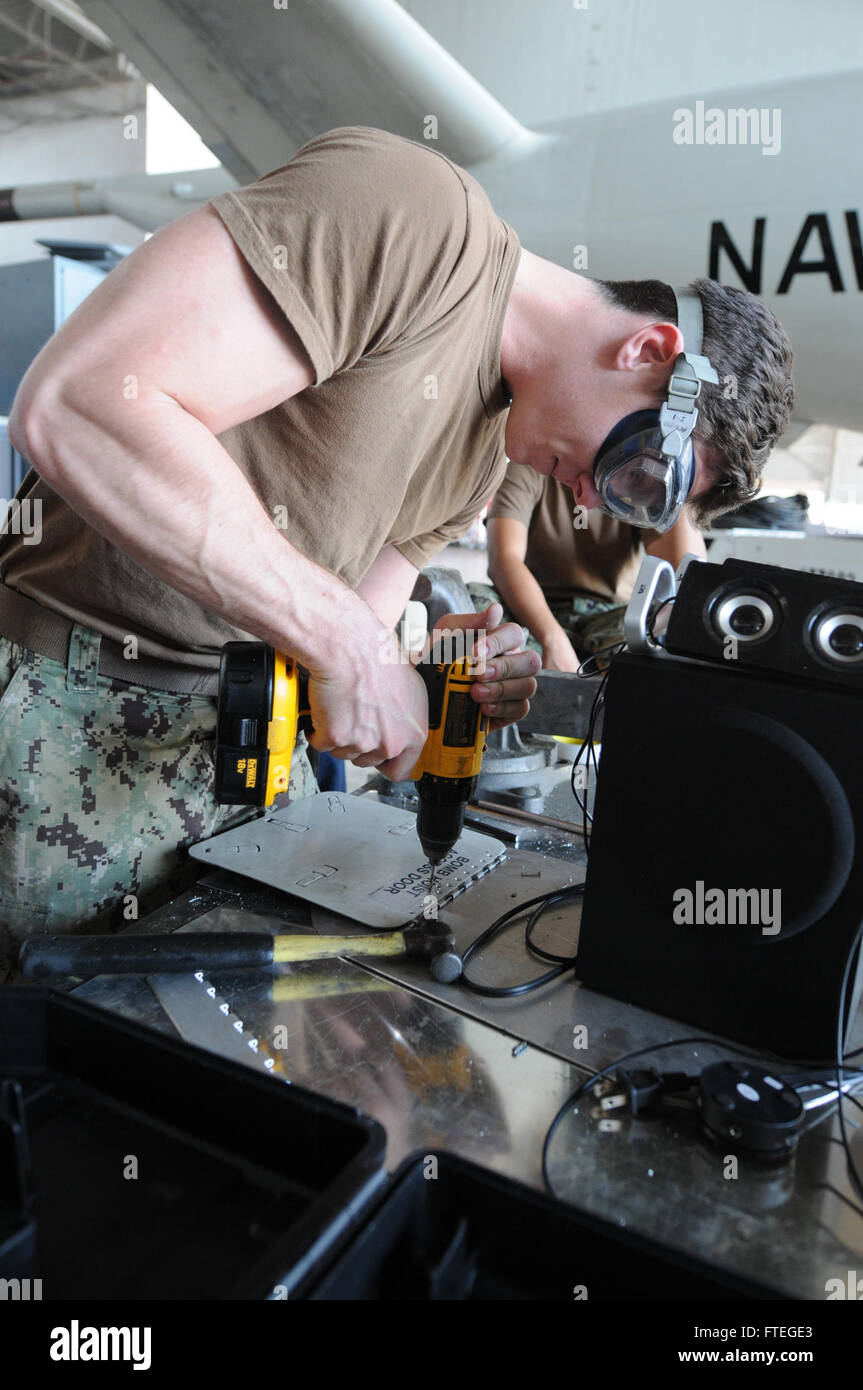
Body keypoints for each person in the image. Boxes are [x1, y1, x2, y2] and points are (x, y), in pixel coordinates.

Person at [1, 126, 794, 956]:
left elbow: (332, 661)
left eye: (637, 505)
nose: (594, 498)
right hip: (65, 725)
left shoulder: (490, 447)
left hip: (245, 763)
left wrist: (425, 683)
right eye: (635, 471)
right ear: (646, 349)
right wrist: (348, 647)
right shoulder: (418, 218)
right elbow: (83, 401)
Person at [474, 464, 707, 670]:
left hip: (614, 615)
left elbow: (685, 575)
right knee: (475, 602)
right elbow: (504, 559)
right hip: (538, 610)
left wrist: (677, 483)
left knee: (674, 633)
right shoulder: (532, 462)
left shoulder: (643, 471)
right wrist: (552, 639)